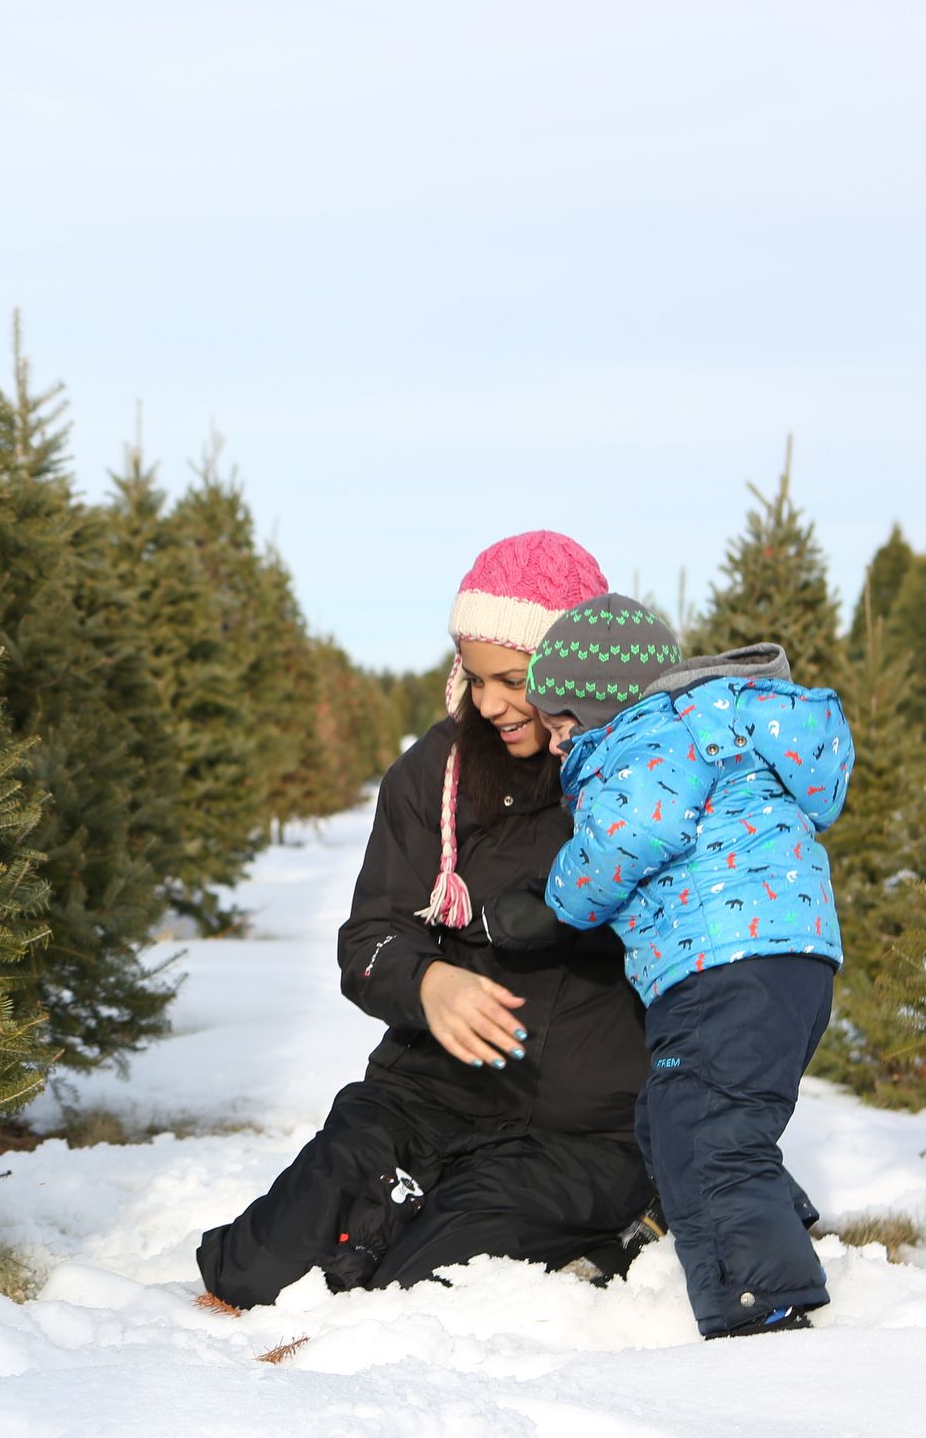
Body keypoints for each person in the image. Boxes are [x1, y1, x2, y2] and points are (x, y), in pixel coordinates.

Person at [197, 531, 655, 1311]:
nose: (489, 704)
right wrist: (427, 980)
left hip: (579, 1133)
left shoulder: (649, 776)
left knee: (420, 1283)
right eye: (474, 678)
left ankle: (621, 1236)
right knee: (251, 1267)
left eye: (514, 680)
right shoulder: (432, 772)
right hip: (427, 1097)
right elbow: (368, 937)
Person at [512, 594, 851, 1337]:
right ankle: (775, 1232)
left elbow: (630, 835)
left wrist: (560, 894)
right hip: (793, 962)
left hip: (722, 964)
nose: (559, 743)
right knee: (678, 1117)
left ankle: (762, 1304)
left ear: (605, 708)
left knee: (706, 1131)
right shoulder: (720, 724)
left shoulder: (651, 737)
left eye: (564, 722)